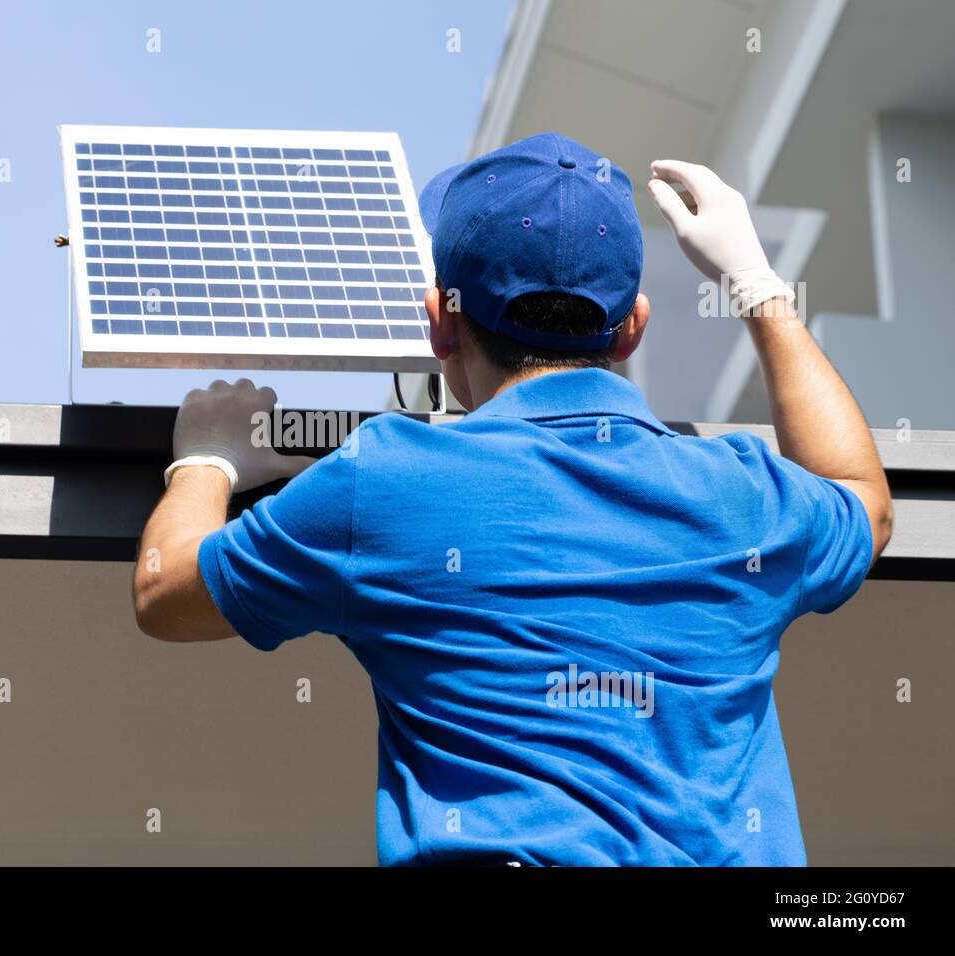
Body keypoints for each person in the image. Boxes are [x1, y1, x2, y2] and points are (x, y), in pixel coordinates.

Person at [131, 132, 893, 866]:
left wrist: (206, 458)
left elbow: (167, 592)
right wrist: (756, 284)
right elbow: (861, 496)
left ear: (440, 323)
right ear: (631, 329)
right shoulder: (742, 496)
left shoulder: (388, 482)